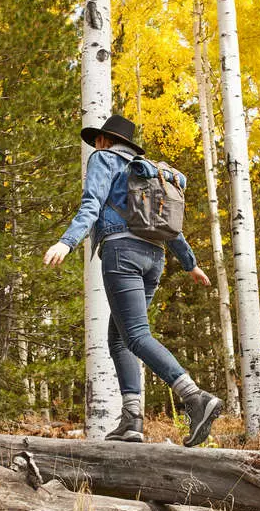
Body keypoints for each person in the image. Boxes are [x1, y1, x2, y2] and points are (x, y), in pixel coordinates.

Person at [43, 114, 223, 447]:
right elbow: (170, 226)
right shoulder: (148, 171)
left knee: (137, 336)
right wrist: (190, 264)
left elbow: (91, 204)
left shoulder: (103, 159)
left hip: (121, 253)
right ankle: (132, 420)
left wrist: (66, 242)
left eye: (97, 141)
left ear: (102, 140)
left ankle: (195, 397)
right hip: (154, 258)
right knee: (119, 338)